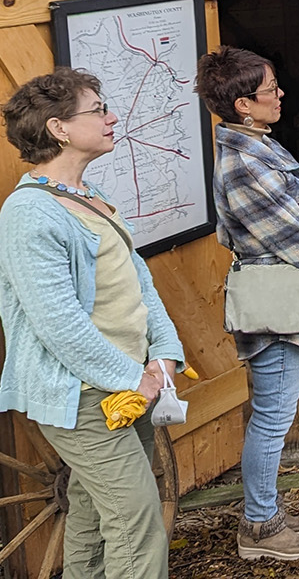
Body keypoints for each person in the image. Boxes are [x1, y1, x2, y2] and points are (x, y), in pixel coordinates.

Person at [0, 67, 186, 579]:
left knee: (88, 511)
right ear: (59, 128)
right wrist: (136, 378)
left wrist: (162, 352)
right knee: (137, 523)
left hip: (129, 386)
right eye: (98, 110)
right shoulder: (29, 215)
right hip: (81, 396)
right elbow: (57, 323)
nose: (111, 117)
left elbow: (138, 282)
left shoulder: (88, 194)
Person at [196, 47, 299, 561]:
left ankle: (266, 509)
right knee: (271, 416)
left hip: (286, 287)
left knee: (274, 412)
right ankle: (260, 528)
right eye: (271, 89)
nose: (281, 94)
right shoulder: (245, 163)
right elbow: (293, 237)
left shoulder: (254, 146)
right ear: (244, 104)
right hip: (276, 297)